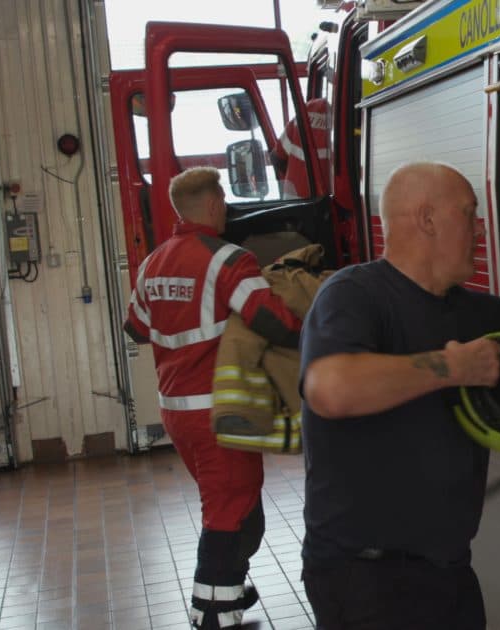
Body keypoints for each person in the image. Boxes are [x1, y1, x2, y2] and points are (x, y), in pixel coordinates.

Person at [299, 162, 500, 629]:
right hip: (364, 580)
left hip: (448, 573)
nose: (479, 229)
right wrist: (451, 367)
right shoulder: (354, 295)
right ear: (427, 220)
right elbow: (332, 389)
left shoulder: (472, 312)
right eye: (469, 213)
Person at [123, 167, 304, 629]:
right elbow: (273, 321)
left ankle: (229, 586)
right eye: (222, 202)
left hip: (176, 411)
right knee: (229, 508)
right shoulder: (228, 260)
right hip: (220, 410)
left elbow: (136, 329)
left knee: (232, 502)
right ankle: (214, 612)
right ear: (213, 205)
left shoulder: (152, 263)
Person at [273, 96, 329, 199]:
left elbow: (277, 157)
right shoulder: (354, 118)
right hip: (324, 208)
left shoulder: (309, 108)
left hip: (293, 205)